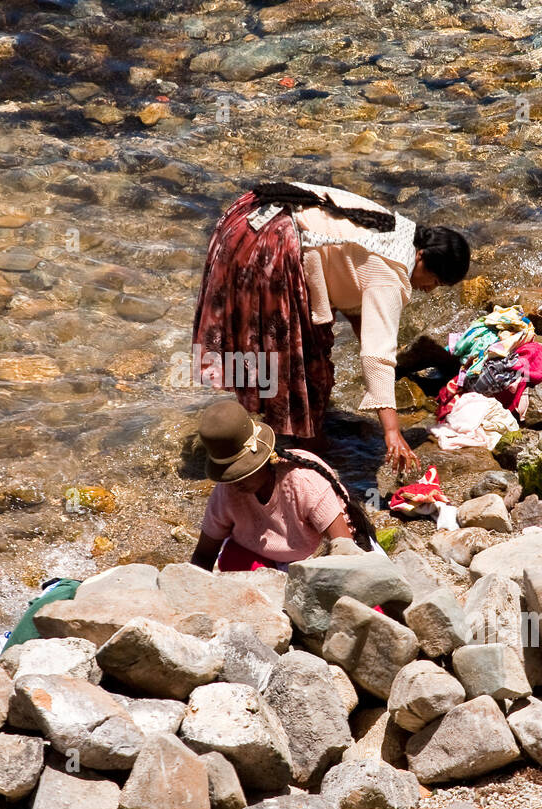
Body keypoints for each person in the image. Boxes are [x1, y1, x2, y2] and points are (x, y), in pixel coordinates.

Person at [192, 180, 470, 474]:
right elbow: (377, 355)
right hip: (272, 240)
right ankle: (307, 446)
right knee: (299, 359)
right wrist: (391, 432)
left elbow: (355, 295)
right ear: (422, 258)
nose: (429, 291)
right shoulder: (392, 272)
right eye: (435, 283)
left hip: (248, 215)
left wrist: (383, 362)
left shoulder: (403, 231)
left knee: (298, 347)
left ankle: (284, 427)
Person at [189, 399, 376, 572]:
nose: (236, 483)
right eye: (230, 477)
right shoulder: (226, 492)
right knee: (232, 558)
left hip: (322, 558)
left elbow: (345, 549)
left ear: (264, 460)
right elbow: (204, 555)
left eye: (242, 474)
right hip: (267, 561)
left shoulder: (304, 481)